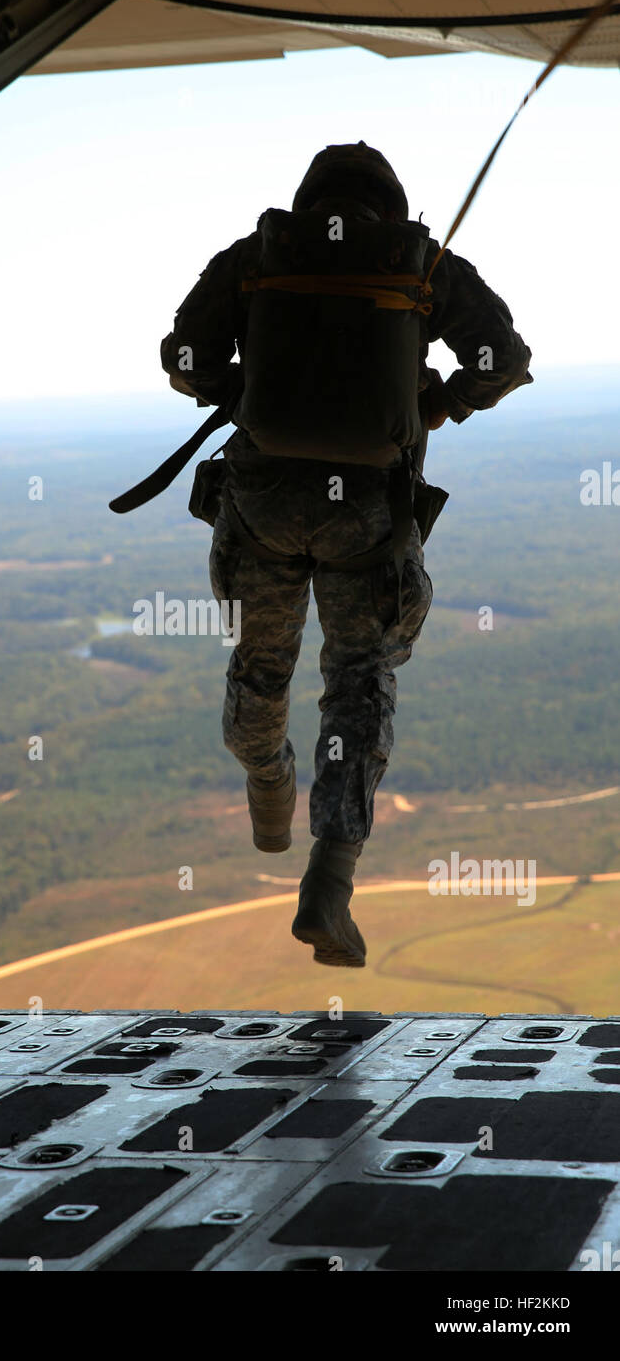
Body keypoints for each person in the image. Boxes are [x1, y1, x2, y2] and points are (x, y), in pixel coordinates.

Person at [160, 142, 533, 967]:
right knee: (359, 680)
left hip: (260, 499)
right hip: (366, 508)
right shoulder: (421, 263)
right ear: (389, 205)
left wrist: (238, 388)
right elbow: (501, 360)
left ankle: (267, 779)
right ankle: (329, 880)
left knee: (261, 665)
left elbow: (181, 358)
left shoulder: (260, 256)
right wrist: (439, 403)